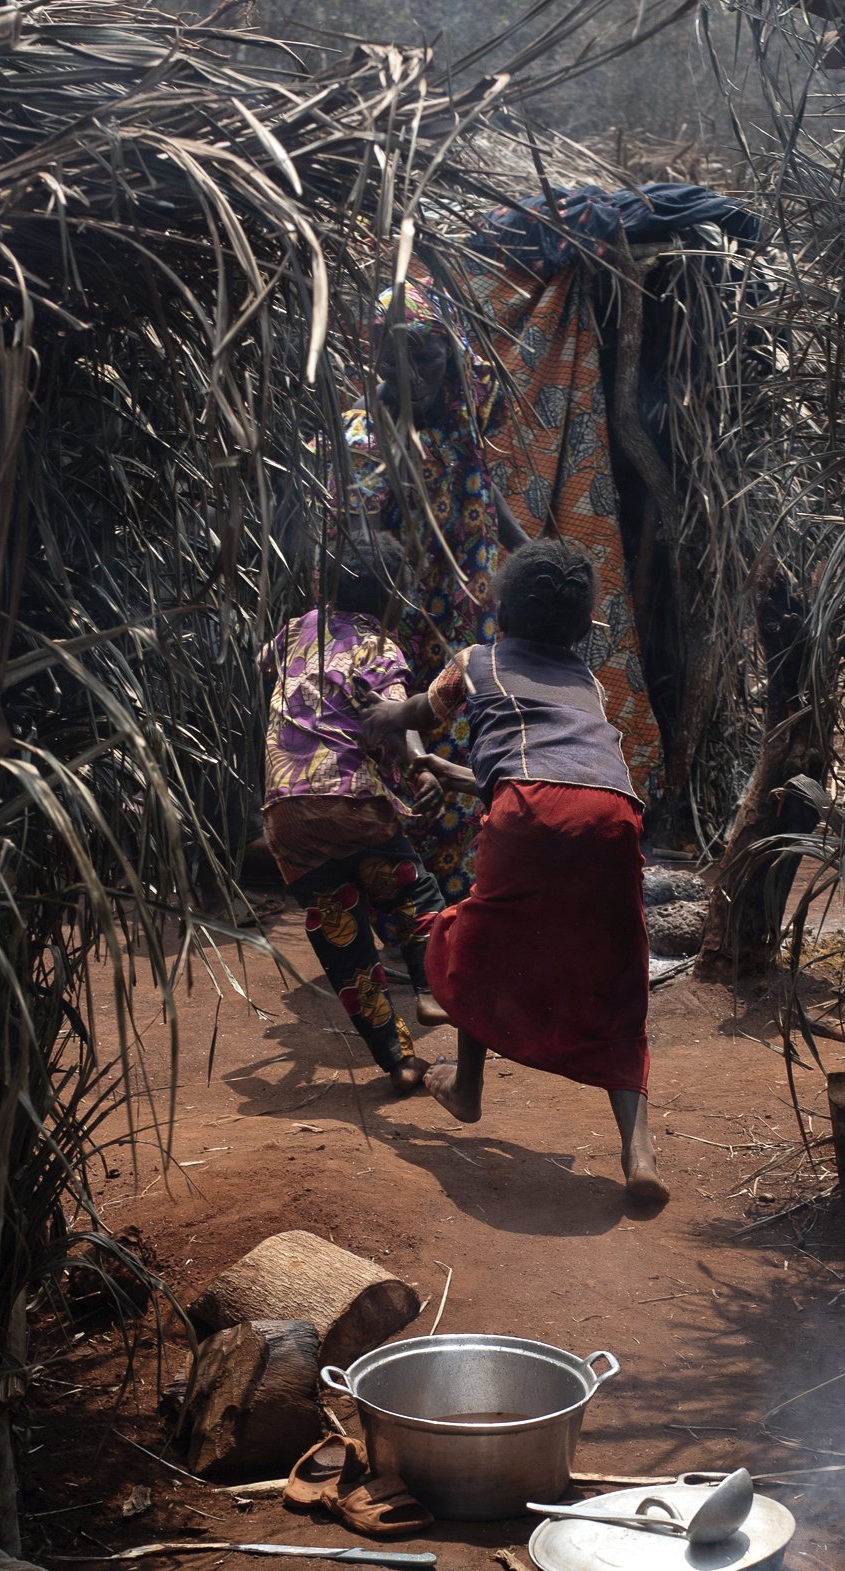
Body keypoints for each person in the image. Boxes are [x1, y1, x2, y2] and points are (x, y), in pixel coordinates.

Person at [364, 539, 666, 1208]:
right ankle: (639, 1155)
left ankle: (467, 1089)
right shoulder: (587, 684)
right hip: (615, 816)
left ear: (497, 608)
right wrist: (461, 775)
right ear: (587, 632)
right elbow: (562, 776)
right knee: (618, 980)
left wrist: (387, 715)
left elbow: (420, 715)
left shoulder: (477, 661)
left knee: (479, 944)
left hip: (528, 812)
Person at [261, 532, 473, 1095]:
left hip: (286, 812)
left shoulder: (292, 631)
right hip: (352, 801)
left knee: (342, 946)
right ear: (392, 599)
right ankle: (429, 991)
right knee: (415, 898)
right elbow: (395, 719)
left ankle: (399, 1063)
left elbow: (266, 669)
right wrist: (423, 769)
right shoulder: (381, 647)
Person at [343, 285, 525, 900]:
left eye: (428, 356)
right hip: (404, 639)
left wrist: (532, 556)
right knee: (406, 764)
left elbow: (483, 490)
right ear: (374, 358)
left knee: (470, 755)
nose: (412, 374)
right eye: (396, 356)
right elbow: (358, 547)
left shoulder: (456, 425)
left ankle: (458, 907)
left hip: (471, 636)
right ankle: (416, 921)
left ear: (450, 356)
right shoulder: (366, 440)